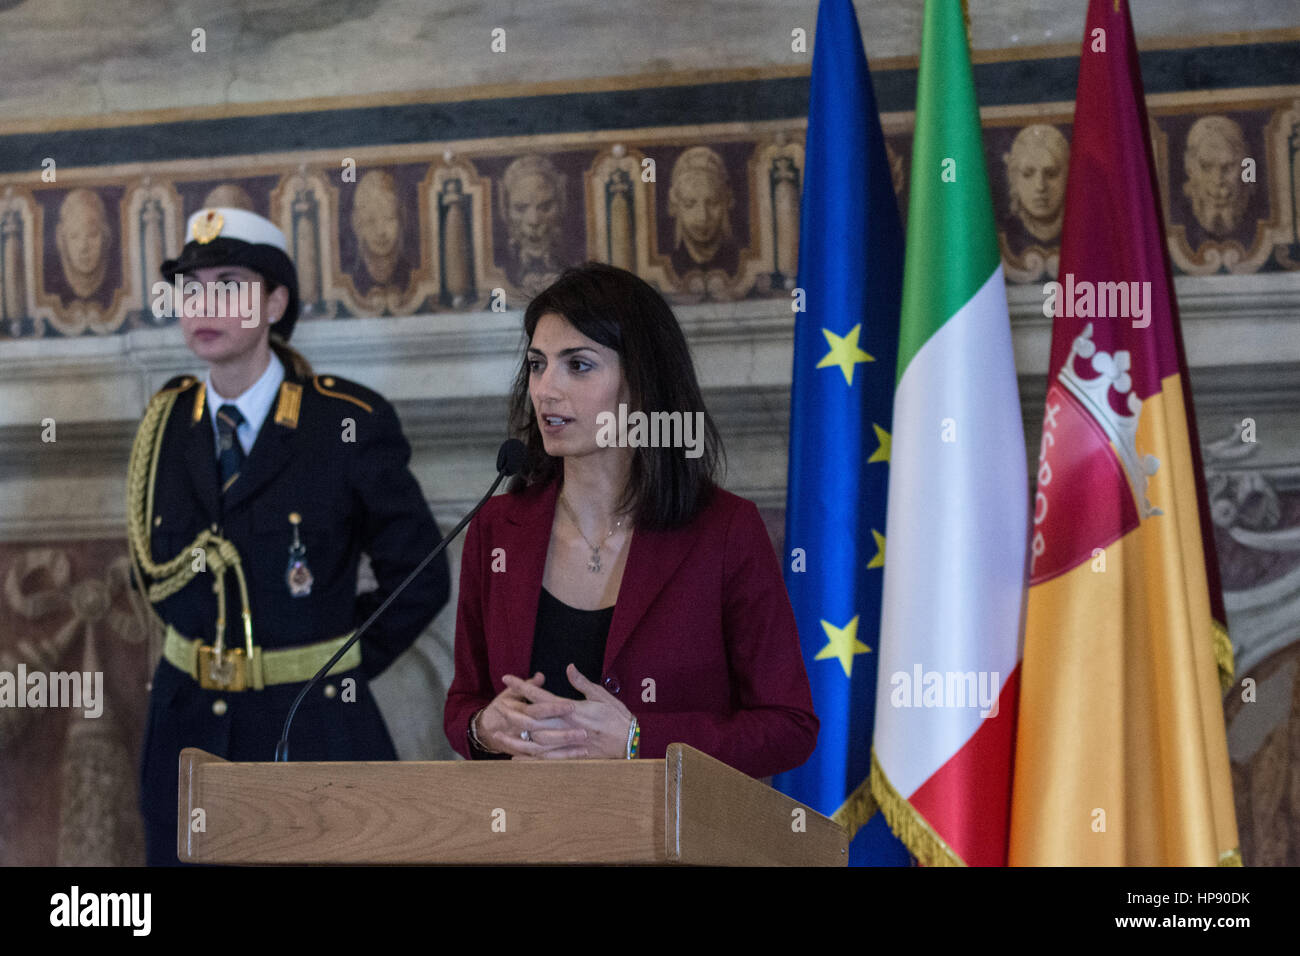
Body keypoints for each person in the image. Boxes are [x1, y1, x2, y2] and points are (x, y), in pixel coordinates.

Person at [127, 206, 449, 865]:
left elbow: (419, 577)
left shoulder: (343, 423)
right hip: (187, 731)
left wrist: (327, 662)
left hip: (313, 728)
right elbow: (154, 572)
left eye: (228, 285)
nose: (203, 303)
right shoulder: (165, 424)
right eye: (191, 287)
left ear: (275, 301)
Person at [444, 262, 817, 778]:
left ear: (640, 385)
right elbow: (464, 703)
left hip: (674, 848)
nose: (546, 389)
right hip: (531, 840)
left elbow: (789, 728)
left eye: (578, 365)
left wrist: (640, 741)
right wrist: (483, 727)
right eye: (537, 364)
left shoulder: (726, 531)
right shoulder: (497, 529)